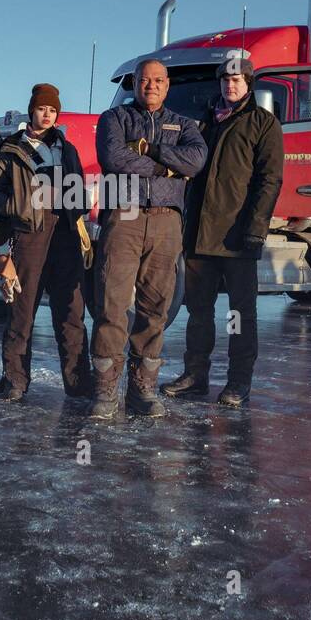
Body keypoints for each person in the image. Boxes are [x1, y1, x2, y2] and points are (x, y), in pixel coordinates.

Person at [161, 56, 283, 407]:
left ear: (248, 84)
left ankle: (238, 381)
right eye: (226, 81)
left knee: (237, 315)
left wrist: (256, 228)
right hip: (200, 234)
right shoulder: (203, 125)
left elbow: (269, 180)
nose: (230, 86)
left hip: (237, 237)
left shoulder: (262, 124)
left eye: (237, 81)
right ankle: (195, 375)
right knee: (199, 311)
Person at [89, 59, 207, 419]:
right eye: (144, 80)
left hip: (166, 222)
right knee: (111, 305)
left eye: (157, 81)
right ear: (135, 84)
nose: (150, 86)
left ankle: (143, 391)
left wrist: (151, 150)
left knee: (155, 308)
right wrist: (165, 168)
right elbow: (114, 157)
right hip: (123, 217)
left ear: (166, 86)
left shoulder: (186, 124)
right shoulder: (115, 119)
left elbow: (196, 160)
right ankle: (106, 393)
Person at [0, 84, 93, 403]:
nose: (46, 114)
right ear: (31, 110)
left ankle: (78, 383)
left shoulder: (67, 148)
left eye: (52, 110)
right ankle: (15, 381)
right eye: (41, 109)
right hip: (28, 235)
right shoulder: (10, 148)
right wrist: (16, 207)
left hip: (64, 235)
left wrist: (77, 209)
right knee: (21, 311)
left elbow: (79, 194)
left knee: (71, 312)